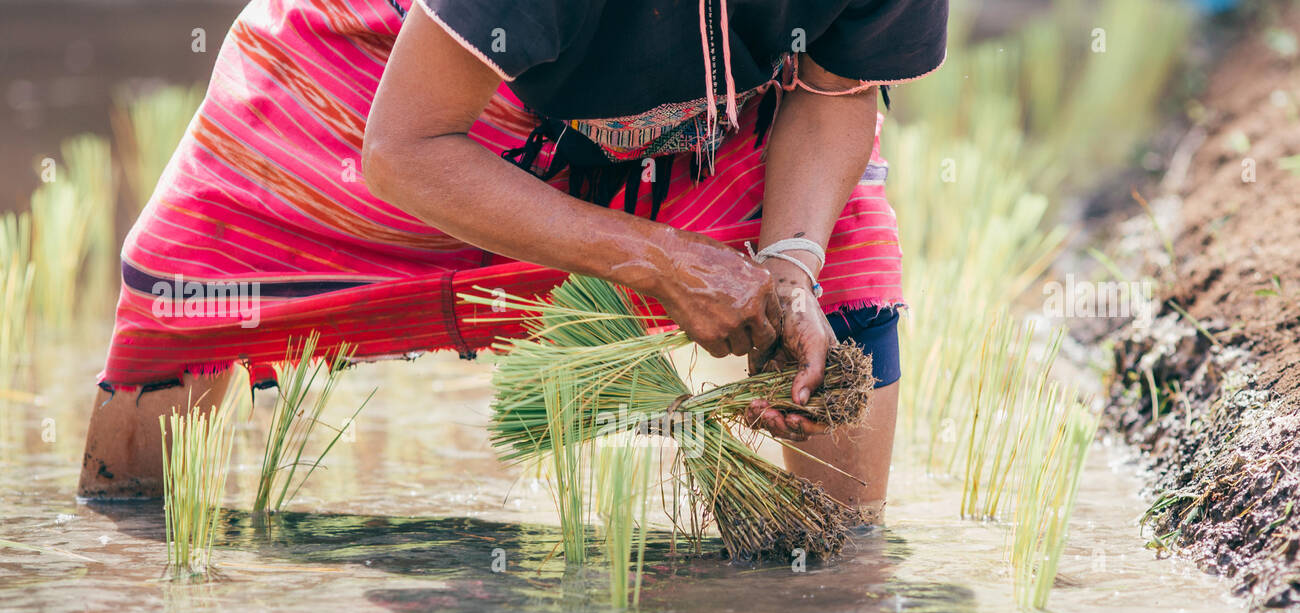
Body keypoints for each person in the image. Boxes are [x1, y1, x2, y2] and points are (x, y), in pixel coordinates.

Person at [78, 0, 948, 514]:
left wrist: (791, 266)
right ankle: (121, 543)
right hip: (411, 92)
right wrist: (660, 261)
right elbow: (404, 146)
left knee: (849, 273)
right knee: (193, 285)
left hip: (706, 119)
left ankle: (838, 593)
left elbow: (835, 90)